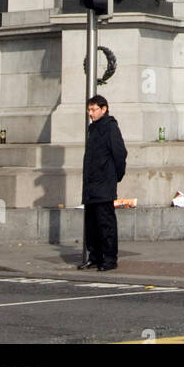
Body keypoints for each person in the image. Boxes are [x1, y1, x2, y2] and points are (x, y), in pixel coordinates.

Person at [79, 95, 127, 272]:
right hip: (91, 185)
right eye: (89, 110)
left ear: (104, 109)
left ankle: (109, 258)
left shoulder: (110, 127)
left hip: (104, 183)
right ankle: (95, 256)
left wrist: (115, 176)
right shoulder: (93, 128)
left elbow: (120, 153)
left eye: (94, 110)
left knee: (105, 223)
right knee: (91, 224)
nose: (90, 113)